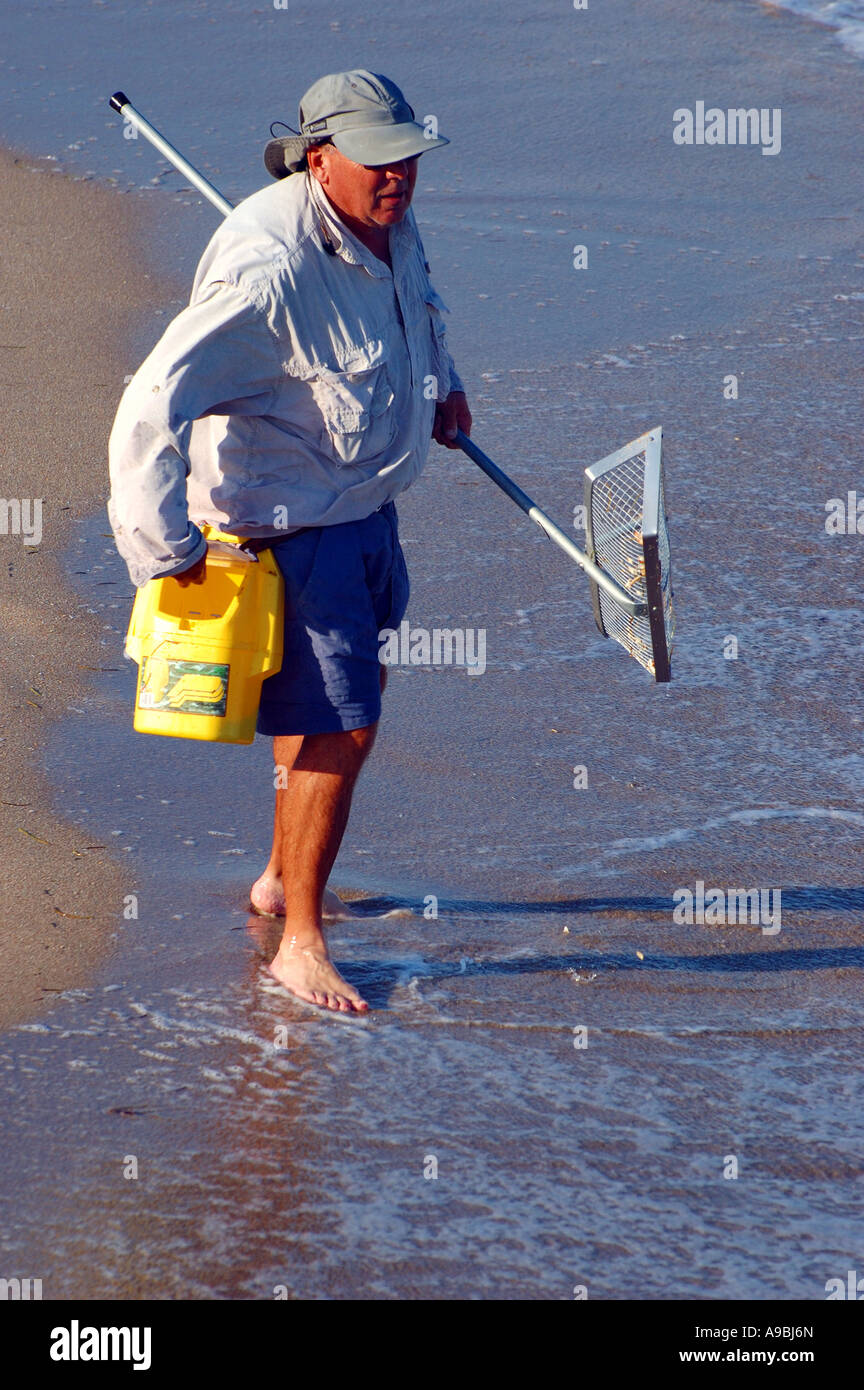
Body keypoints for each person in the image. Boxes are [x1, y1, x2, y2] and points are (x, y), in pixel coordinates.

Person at [107, 70, 472, 1015]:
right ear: (320, 159)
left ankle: (279, 879)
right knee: (343, 724)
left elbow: (413, 306)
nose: (400, 178)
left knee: (347, 699)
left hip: (363, 510)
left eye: (408, 158)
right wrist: (166, 550)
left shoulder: (385, 218)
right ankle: (298, 945)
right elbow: (152, 405)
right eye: (378, 162)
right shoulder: (266, 272)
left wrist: (443, 382)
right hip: (288, 528)